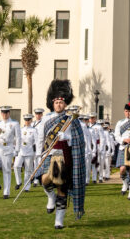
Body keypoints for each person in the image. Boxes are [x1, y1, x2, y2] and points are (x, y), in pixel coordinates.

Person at [39, 79, 86, 229]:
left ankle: (59, 221)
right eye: (56, 102)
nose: (58, 104)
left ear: (65, 104)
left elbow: (78, 140)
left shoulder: (71, 119)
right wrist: (40, 155)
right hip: (49, 153)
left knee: (62, 186)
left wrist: (65, 138)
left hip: (65, 154)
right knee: (45, 179)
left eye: (61, 102)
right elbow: (41, 139)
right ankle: (50, 196)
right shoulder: (46, 119)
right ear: (52, 104)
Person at [0, 105, 21, 199]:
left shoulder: (14, 123)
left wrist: (17, 150)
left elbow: (18, 138)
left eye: (6, 112)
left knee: (6, 170)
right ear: (1, 113)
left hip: (8, 148)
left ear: (9, 113)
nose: (4, 114)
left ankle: (6, 192)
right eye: (3, 112)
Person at [14, 114, 36, 191]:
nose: (27, 121)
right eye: (26, 120)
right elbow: (16, 140)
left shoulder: (34, 130)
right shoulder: (20, 130)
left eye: (28, 120)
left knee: (28, 170)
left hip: (29, 152)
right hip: (21, 151)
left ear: (31, 120)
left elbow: (36, 142)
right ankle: (18, 182)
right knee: (16, 166)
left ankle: (26, 186)